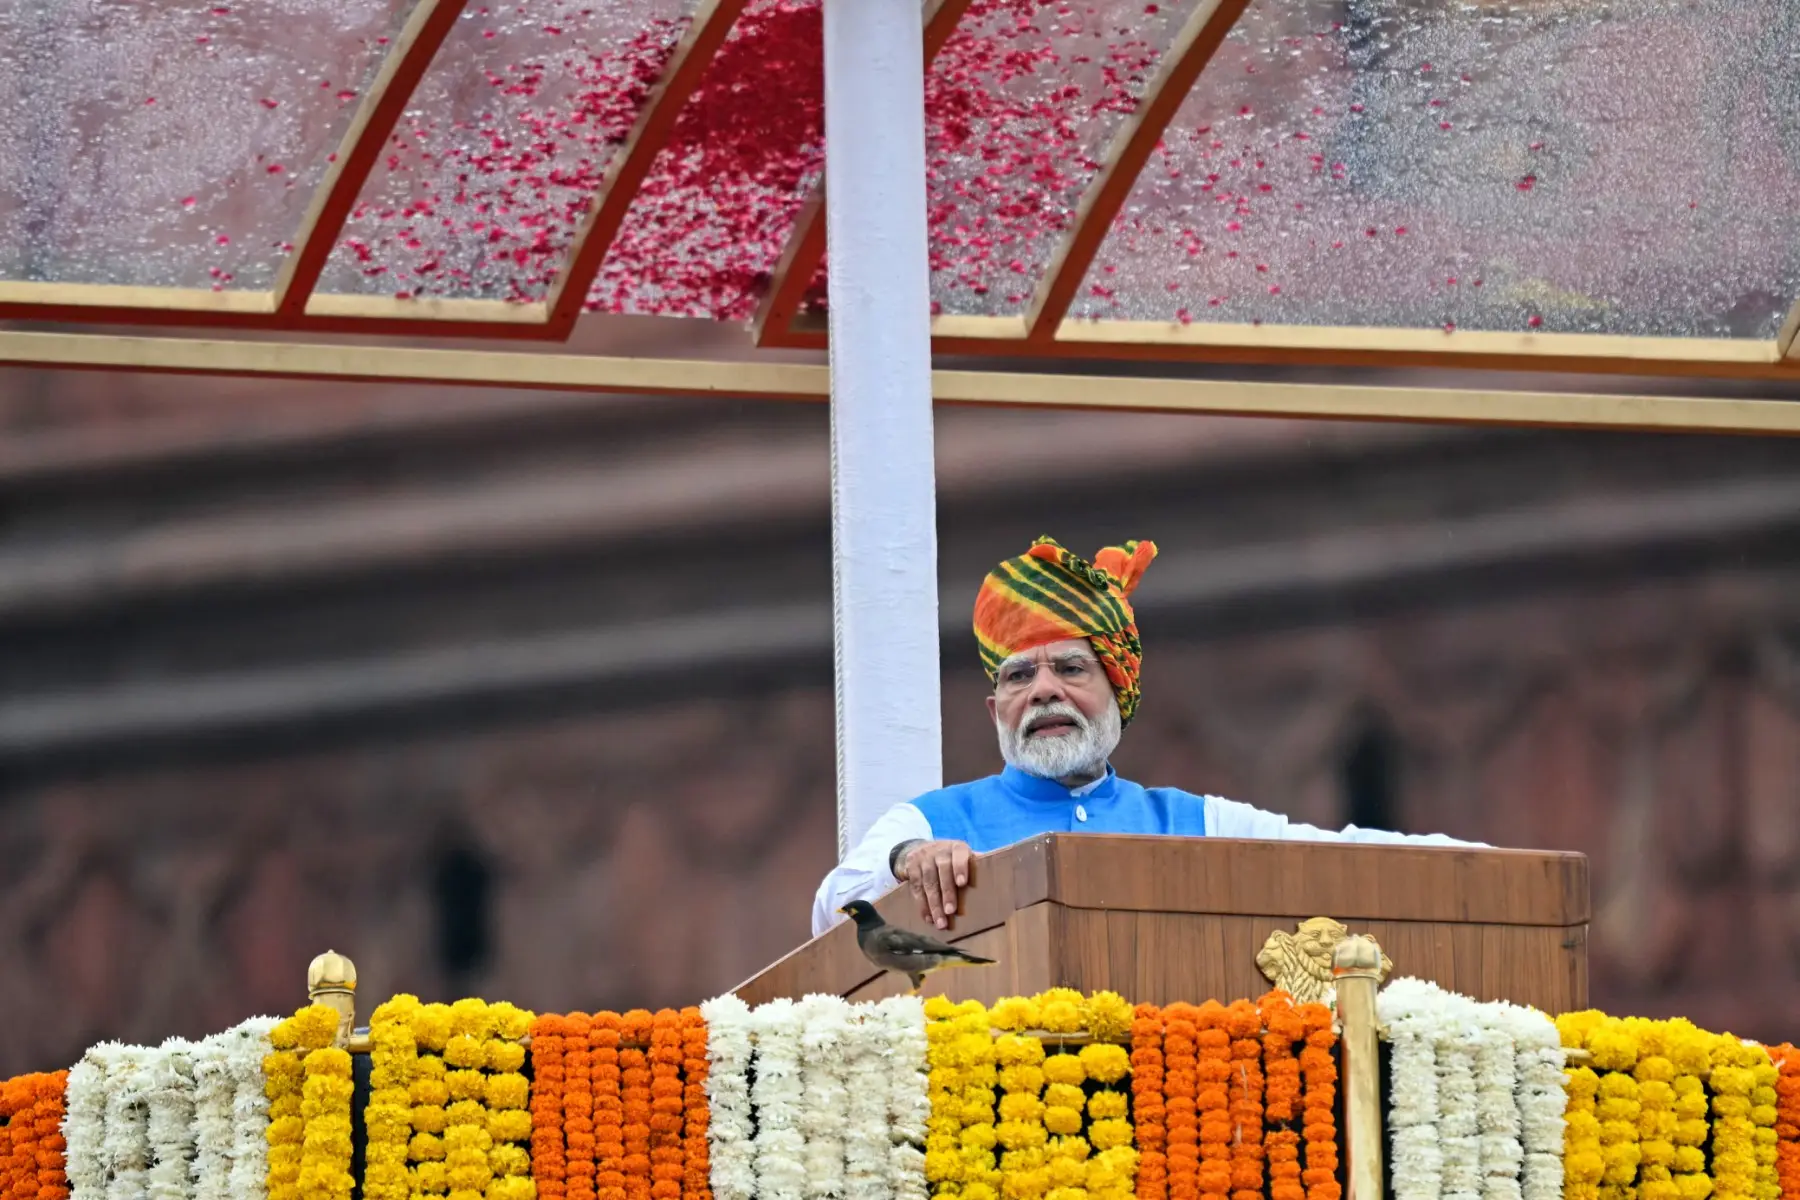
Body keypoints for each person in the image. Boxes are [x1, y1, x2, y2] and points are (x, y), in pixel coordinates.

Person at [812, 536, 1478, 936]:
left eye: (1071, 668)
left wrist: (1487, 864)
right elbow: (831, 909)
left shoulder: (1193, 822)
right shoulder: (932, 820)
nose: (1043, 690)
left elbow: (1337, 857)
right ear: (996, 712)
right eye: (1019, 677)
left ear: (1117, 693)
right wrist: (905, 860)